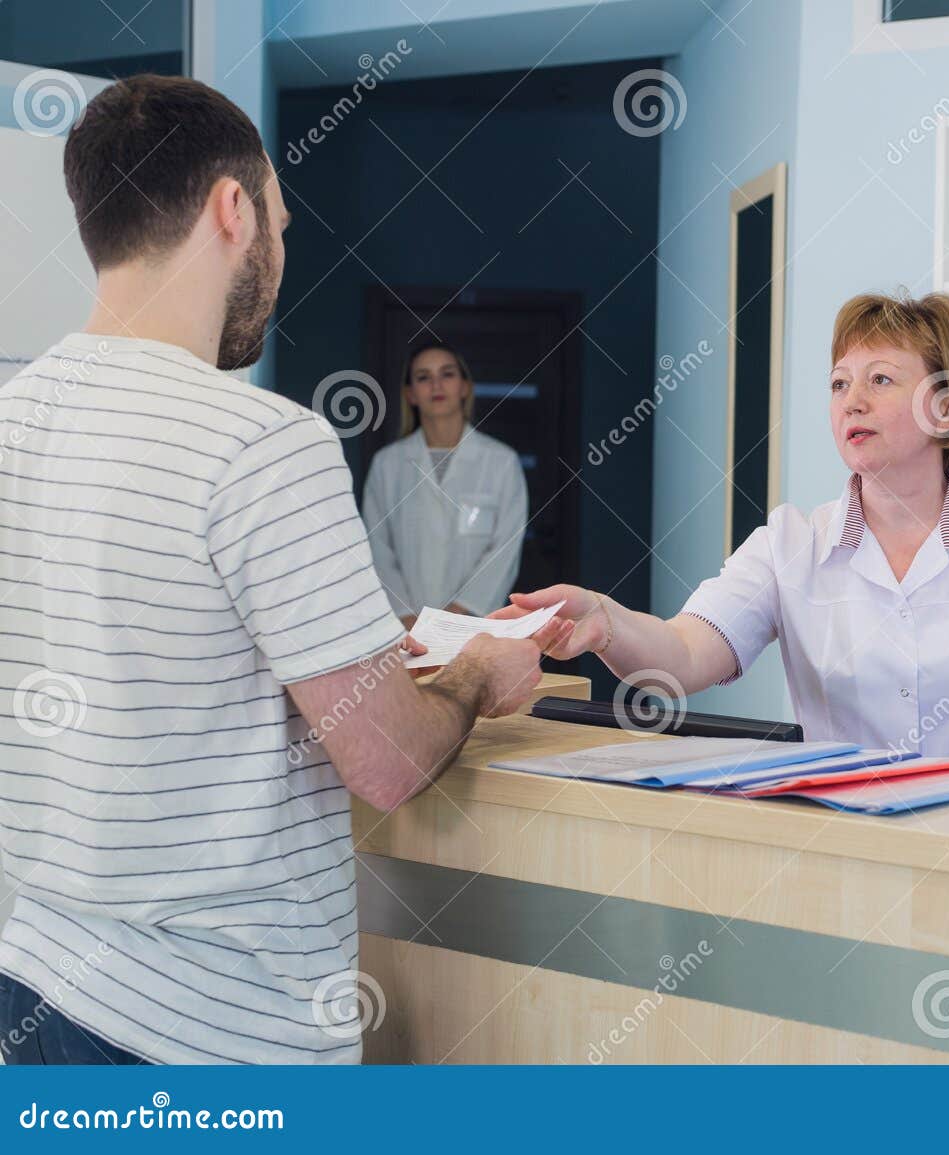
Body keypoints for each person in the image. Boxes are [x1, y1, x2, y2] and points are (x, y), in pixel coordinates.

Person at [0, 75, 546, 1065]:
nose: (283, 258)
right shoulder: (259, 441)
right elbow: (384, 763)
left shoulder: (12, 424)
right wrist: (479, 674)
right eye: (283, 226)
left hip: (32, 992)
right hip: (206, 1035)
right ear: (233, 208)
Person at [497, 293, 949, 772]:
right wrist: (607, 621)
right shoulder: (790, 543)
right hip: (841, 849)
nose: (851, 401)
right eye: (840, 383)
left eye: (881, 380)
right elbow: (683, 655)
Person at [362, 342, 528, 628]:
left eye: (447, 374)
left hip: (475, 624)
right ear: (410, 394)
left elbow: (505, 546)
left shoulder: (501, 462)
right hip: (404, 626)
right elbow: (376, 546)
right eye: (424, 377)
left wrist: (457, 615)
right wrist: (407, 617)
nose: (436, 385)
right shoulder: (387, 464)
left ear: (464, 386)